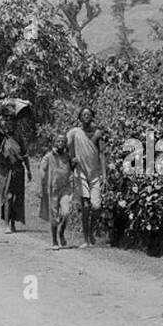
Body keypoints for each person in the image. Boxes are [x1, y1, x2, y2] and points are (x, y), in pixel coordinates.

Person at [66, 105, 105, 246]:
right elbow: (64, 145)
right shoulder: (75, 133)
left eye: (89, 114)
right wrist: (71, 159)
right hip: (80, 172)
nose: (86, 116)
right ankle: (85, 239)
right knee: (86, 205)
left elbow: (101, 154)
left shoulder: (98, 134)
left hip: (94, 174)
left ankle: (91, 231)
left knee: (96, 207)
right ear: (80, 118)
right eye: (84, 115)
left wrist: (104, 175)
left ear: (92, 117)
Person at [39, 130, 74, 248]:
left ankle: (61, 233)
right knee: (54, 217)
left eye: (63, 141)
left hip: (65, 188)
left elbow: (73, 169)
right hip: (52, 189)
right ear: (54, 143)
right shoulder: (49, 156)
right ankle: (54, 241)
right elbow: (42, 169)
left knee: (66, 212)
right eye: (58, 141)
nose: (60, 143)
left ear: (65, 143)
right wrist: (42, 183)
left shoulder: (67, 156)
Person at [0, 118, 30, 234]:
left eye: (12, 125)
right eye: (8, 125)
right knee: (8, 197)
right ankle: (6, 224)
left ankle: (13, 223)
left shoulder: (19, 138)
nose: (10, 127)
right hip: (7, 171)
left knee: (17, 198)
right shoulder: (1, 139)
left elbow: (25, 155)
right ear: (4, 127)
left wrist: (29, 170)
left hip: (19, 170)